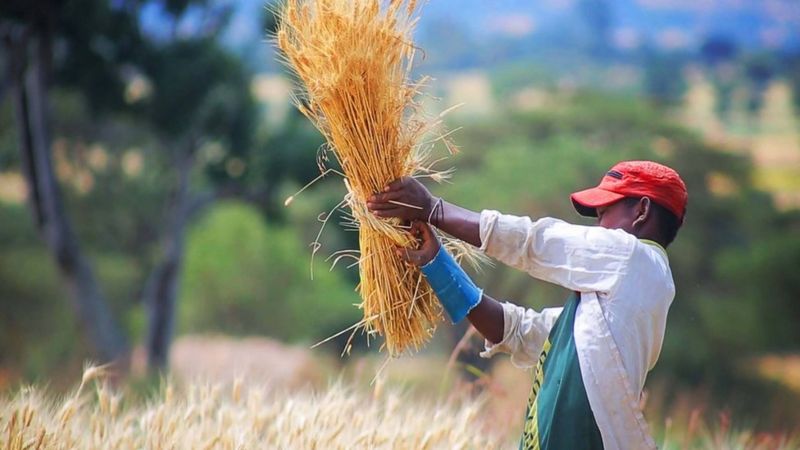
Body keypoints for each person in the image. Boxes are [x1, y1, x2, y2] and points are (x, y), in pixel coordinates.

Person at [366, 160, 688, 450]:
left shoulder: (634, 258)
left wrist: (432, 209)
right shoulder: (614, 302)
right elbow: (518, 331)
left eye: (604, 213)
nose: (597, 227)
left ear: (642, 211)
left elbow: (533, 242)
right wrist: (438, 265)